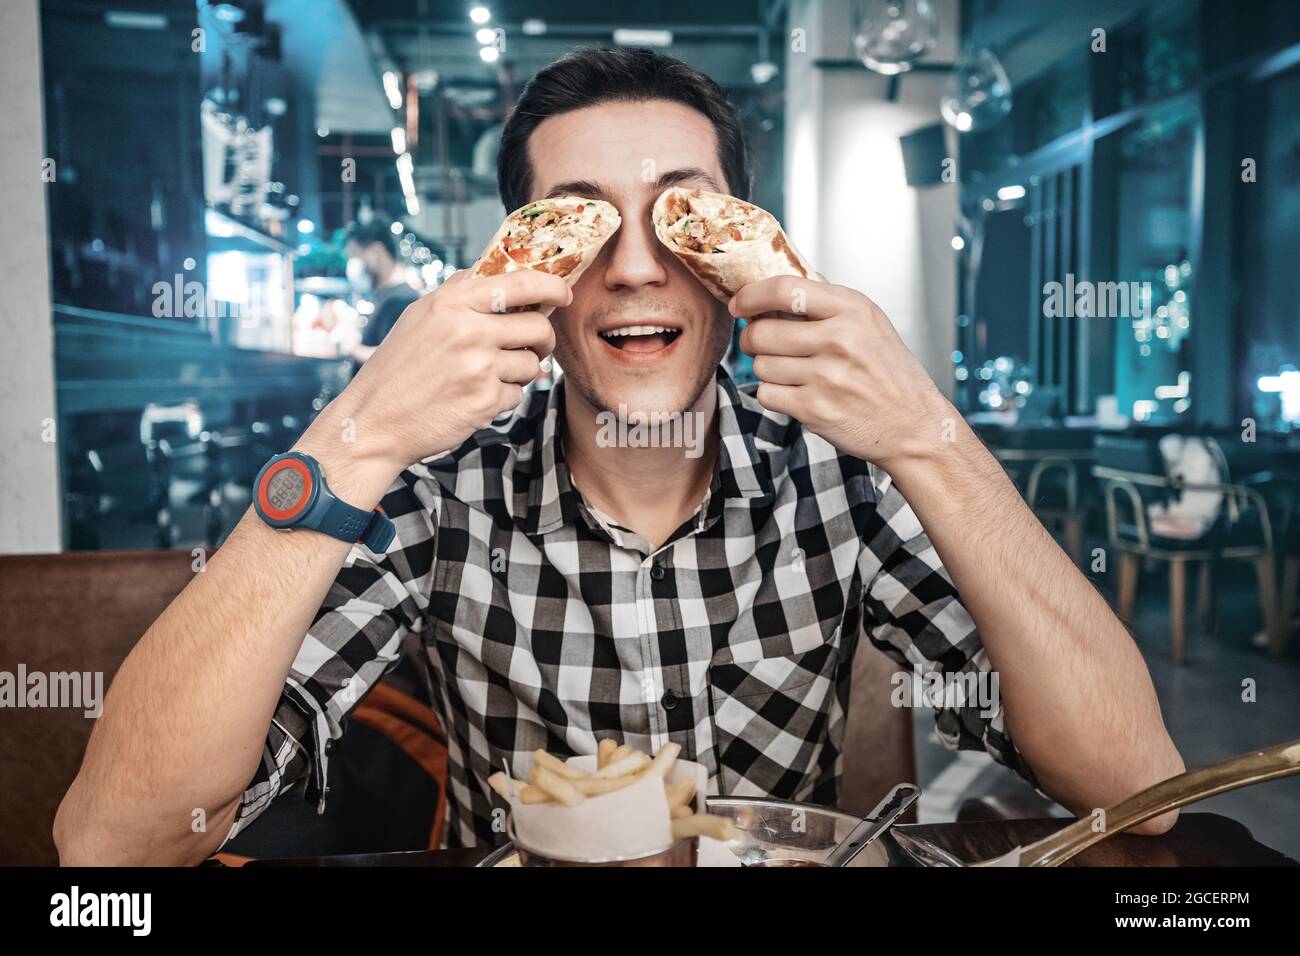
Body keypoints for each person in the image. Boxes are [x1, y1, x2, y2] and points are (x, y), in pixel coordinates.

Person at [55, 47, 1183, 864]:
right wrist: (358, 429)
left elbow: (1135, 788)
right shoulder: (437, 499)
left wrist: (930, 436)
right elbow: (115, 844)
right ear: (525, 273)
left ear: (735, 257)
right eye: (582, 222)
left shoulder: (843, 483)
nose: (637, 268)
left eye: (682, 216)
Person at [343, 221, 420, 364]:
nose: (355, 264)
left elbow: (395, 357)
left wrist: (351, 348)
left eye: (357, 255)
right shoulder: (386, 295)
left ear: (377, 251)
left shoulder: (401, 299)